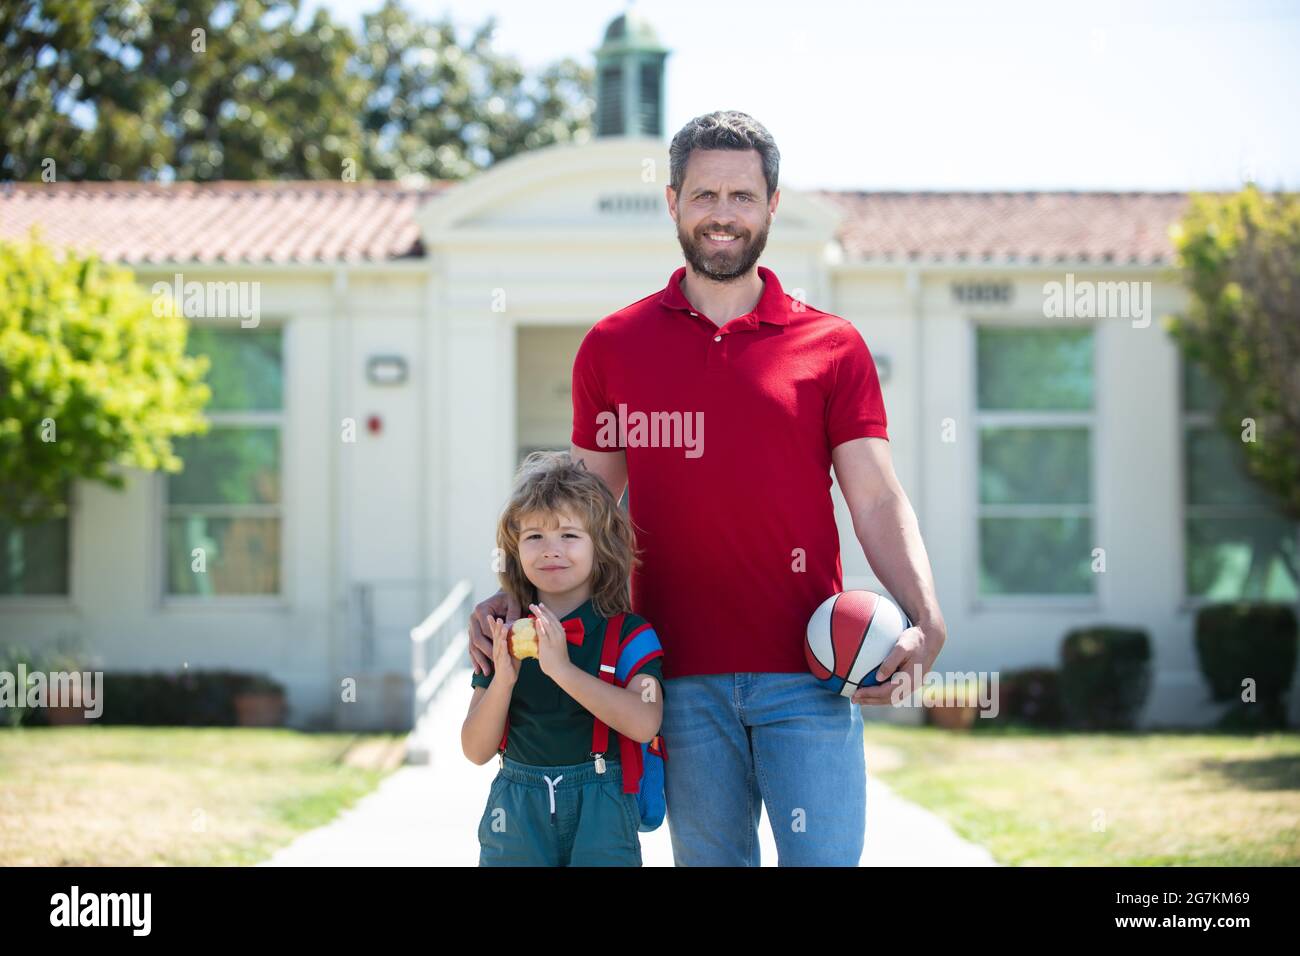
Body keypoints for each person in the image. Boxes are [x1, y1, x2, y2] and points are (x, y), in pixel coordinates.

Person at [469, 110, 948, 866]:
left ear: (772, 206)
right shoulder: (613, 346)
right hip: (675, 679)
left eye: (742, 196)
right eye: (704, 196)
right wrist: (513, 593)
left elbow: (877, 498)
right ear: (672, 203)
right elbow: (579, 512)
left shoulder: (833, 347)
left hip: (810, 677)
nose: (723, 215)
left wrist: (926, 615)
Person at [462, 450, 665, 867]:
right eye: (535, 537)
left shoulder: (630, 634)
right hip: (517, 808)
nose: (551, 549)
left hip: (602, 805)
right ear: (515, 550)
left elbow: (646, 722)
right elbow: (476, 749)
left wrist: (562, 669)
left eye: (569, 535)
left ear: (600, 547)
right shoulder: (500, 631)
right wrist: (503, 678)